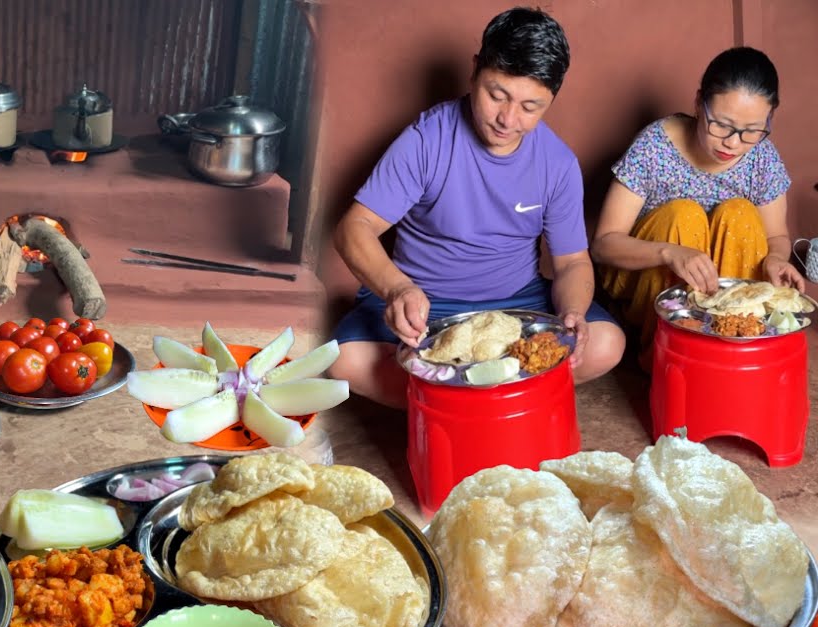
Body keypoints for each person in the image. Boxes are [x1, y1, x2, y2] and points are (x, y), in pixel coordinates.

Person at [328, 7, 624, 408]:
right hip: (423, 305)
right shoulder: (426, 140)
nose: (507, 119)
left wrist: (573, 313)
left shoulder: (558, 163)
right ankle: (500, 401)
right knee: (345, 361)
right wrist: (398, 289)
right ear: (474, 71)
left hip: (517, 304)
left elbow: (572, 262)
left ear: (550, 100)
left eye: (530, 107)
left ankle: (456, 403)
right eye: (496, 95)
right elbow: (353, 228)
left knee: (606, 344)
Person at [592, 46, 804, 347]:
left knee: (740, 212)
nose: (733, 143)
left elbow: (776, 237)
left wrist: (776, 259)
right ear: (698, 103)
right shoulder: (655, 147)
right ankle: (668, 346)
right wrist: (669, 253)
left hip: (725, 288)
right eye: (721, 125)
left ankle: (733, 338)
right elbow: (604, 245)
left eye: (752, 130)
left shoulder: (762, 158)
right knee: (683, 215)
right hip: (646, 288)